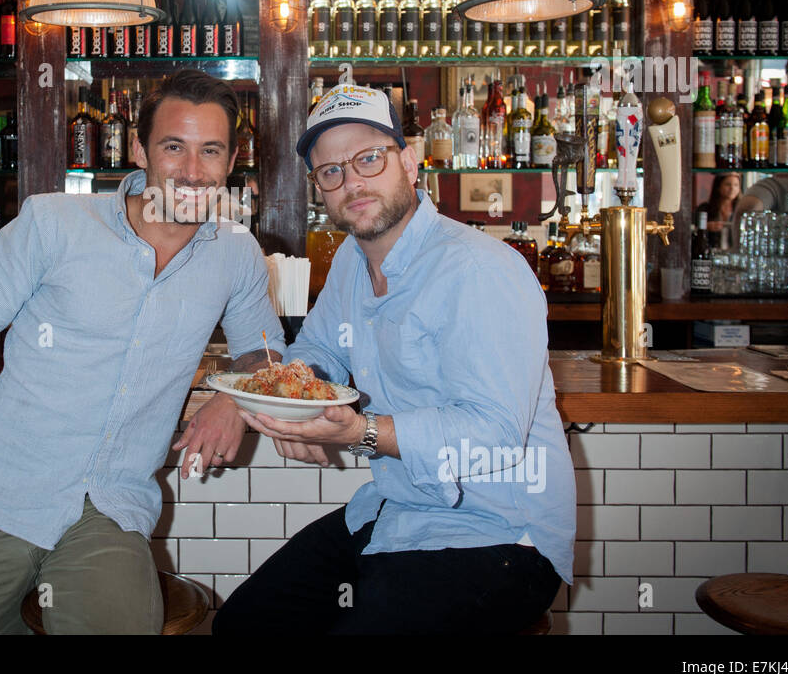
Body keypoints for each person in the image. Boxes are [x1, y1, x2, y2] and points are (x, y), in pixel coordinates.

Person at [0, 70, 284, 635]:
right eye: (173, 147)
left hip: (111, 508)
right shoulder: (54, 223)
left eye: (210, 150)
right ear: (139, 149)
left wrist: (233, 401)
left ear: (233, 158)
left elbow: (263, 354)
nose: (192, 171)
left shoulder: (237, 255)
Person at [213, 83, 576, 635]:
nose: (351, 181)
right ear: (320, 190)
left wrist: (358, 433)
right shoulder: (351, 266)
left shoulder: (478, 269)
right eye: (330, 171)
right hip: (395, 510)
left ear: (408, 161)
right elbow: (318, 351)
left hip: (499, 536)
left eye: (368, 158)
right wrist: (292, 399)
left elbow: (494, 432)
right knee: (242, 624)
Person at [700, 172, 741, 247]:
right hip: (711, 252)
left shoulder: (741, 210)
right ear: (718, 186)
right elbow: (692, 229)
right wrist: (705, 227)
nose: (732, 188)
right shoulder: (705, 208)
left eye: (736, 185)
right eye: (728, 184)